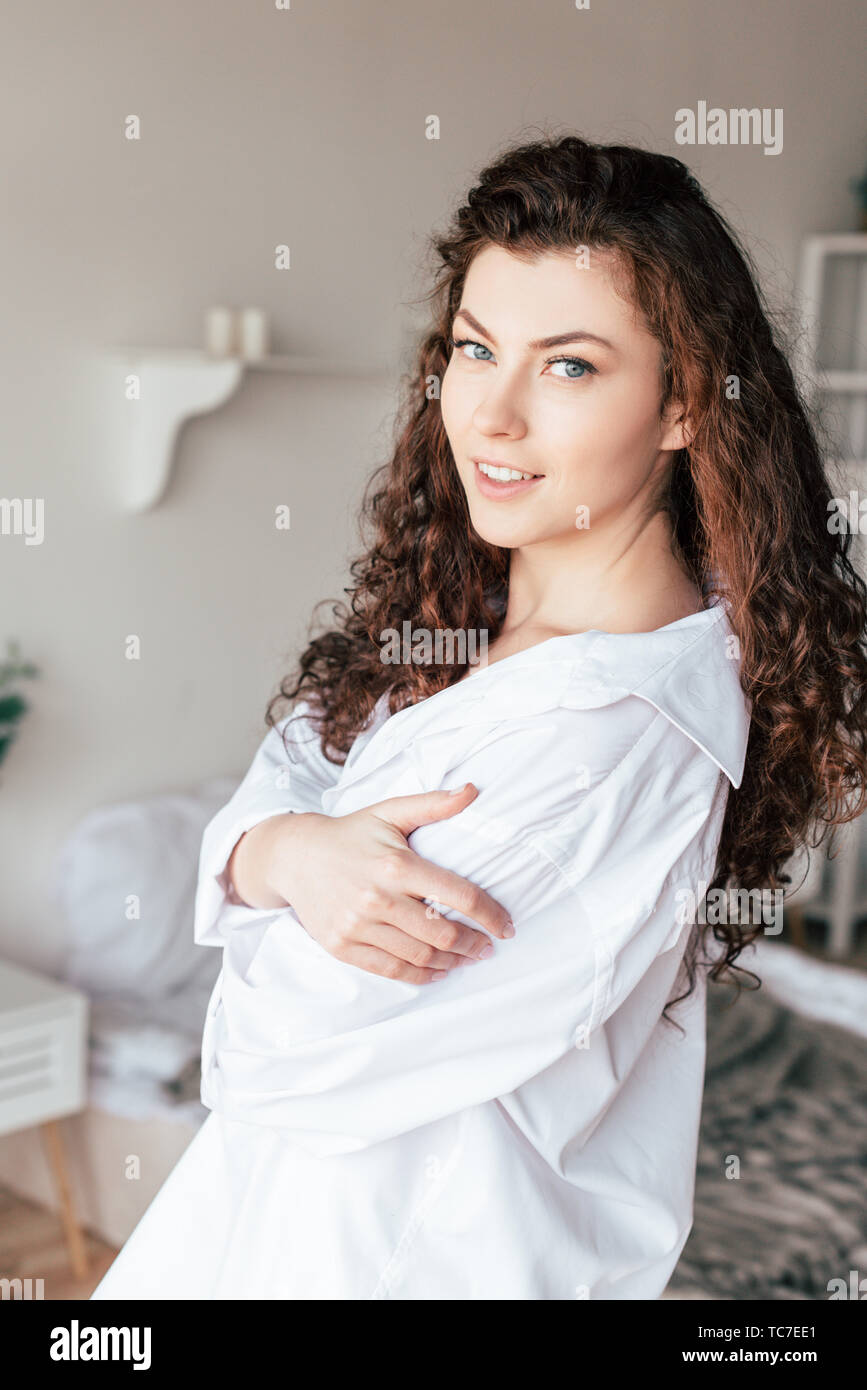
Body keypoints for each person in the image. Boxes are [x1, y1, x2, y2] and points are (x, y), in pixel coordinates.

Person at [91, 134, 867, 1301]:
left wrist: (267, 862)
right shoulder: (462, 613)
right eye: (474, 348)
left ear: (684, 402)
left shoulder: (610, 737)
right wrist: (282, 849)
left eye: (569, 367)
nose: (490, 416)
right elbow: (277, 776)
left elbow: (274, 1047)